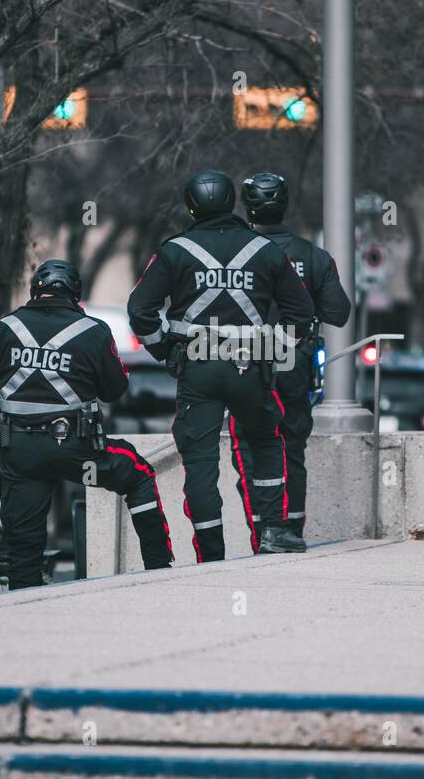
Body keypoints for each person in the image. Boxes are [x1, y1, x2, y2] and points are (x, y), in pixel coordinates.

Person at [128, 169, 314, 560]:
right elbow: (301, 312)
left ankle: (211, 554)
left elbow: (140, 309)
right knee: (265, 442)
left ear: (191, 206)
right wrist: (276, 349)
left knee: (200, 460)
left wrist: (164, 351)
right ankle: (274, 533)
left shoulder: (175, 250)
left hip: (198, 371)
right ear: (232, 202)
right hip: (252, 369)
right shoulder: (265, 250)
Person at [0, 260, 172, 588]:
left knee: (23, 553)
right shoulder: (92, 331)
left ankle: (26, 615)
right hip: (75, 450)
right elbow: (115, 389)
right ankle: (159, 571)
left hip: (18, 453)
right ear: (75, 294)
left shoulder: (3, 330)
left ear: (36, 290)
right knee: (139, 475)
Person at [229, 172, 351, 539]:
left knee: (251, 449)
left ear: (248, 208)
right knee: (292, 448)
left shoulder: (236, 255)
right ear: (284, 205)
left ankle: (264, 531)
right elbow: (338, 313)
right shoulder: (314, 256)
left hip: (245, 366)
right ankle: (291, 529)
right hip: (295, 365)